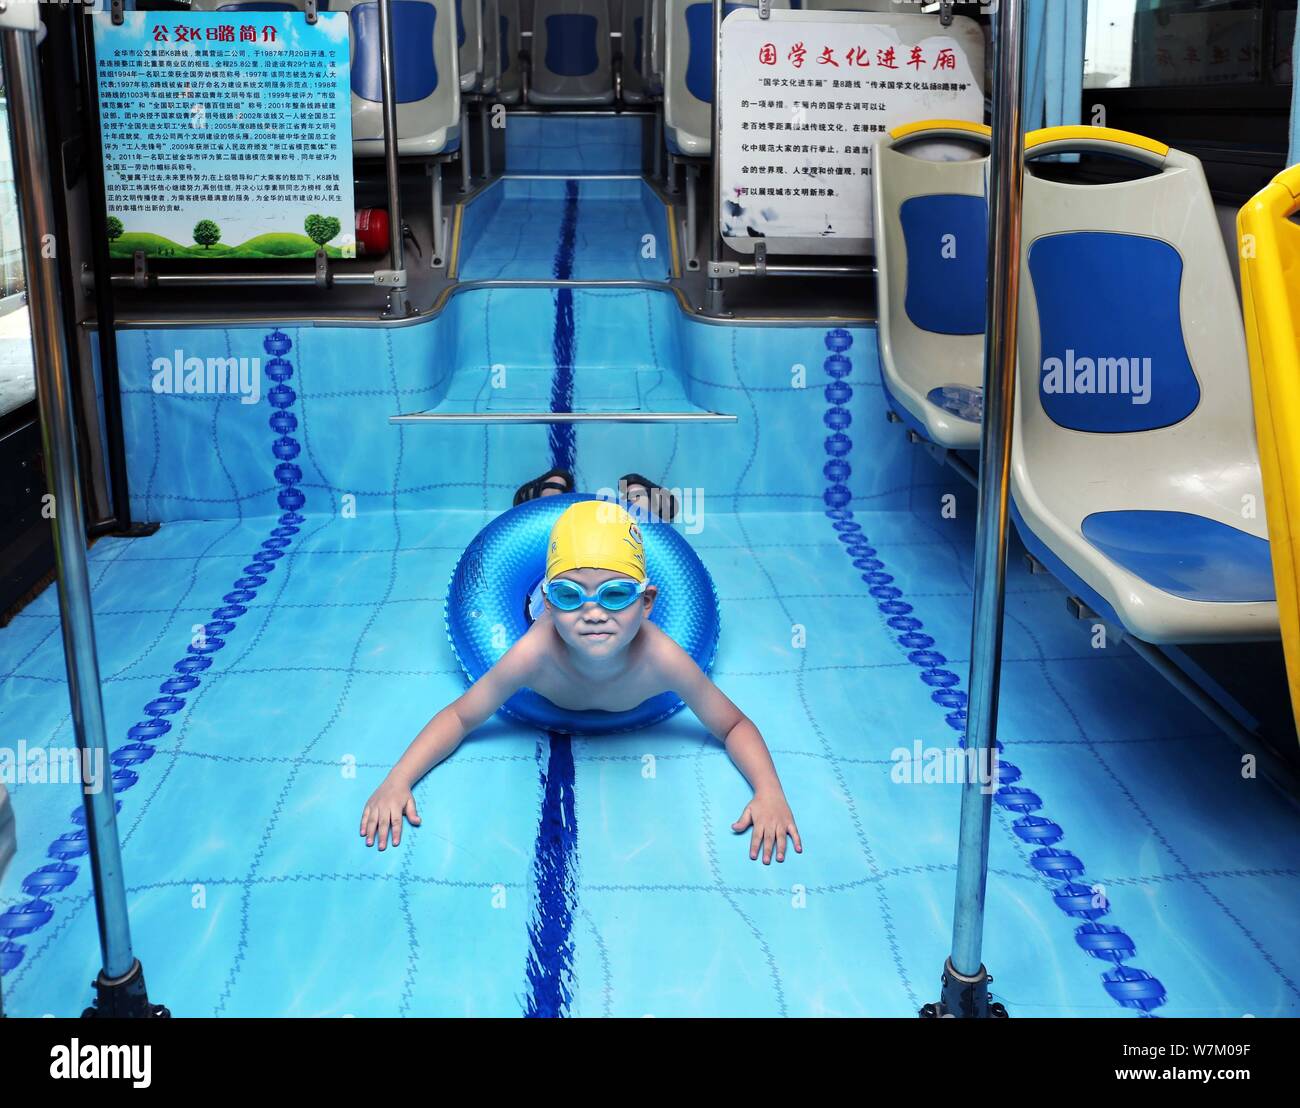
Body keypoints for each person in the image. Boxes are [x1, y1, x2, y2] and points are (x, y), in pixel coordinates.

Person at [360, 470, 802, 863]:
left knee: (637, 528)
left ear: (647, 602)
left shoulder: (662, 659)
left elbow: (733, 726)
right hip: (540, 596)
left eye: (615, 596)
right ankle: (550, 492)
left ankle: (641, 500)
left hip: (612, 573)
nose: (593, 613)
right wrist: (397, 781)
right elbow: (460, 716)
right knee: (543, 519)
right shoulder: (534, 654)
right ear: (550, 604)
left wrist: (769, 791)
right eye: (571, 597)